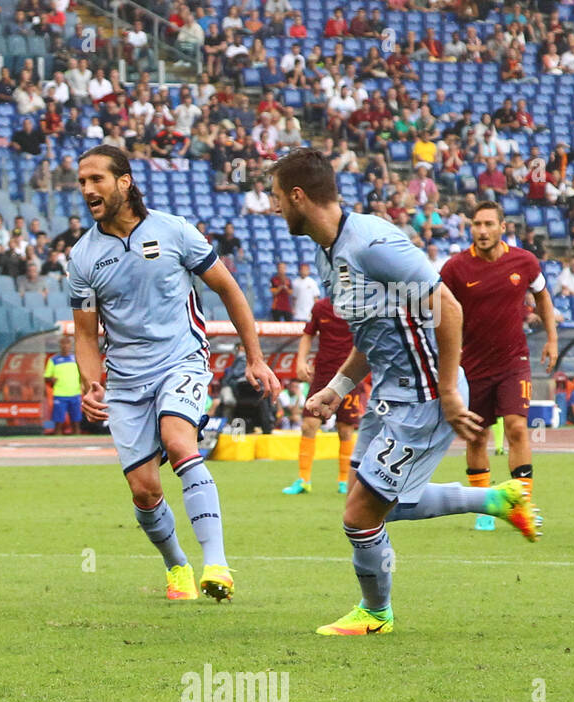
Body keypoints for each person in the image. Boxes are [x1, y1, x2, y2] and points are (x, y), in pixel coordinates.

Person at [269, 148, 538, 636]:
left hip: (424, 398)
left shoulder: (372, 243)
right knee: (378, 499)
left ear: (297, 195)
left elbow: (448, 307)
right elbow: (374, 333)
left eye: (275, 197)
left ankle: (376, 613)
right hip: (388, 395)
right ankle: (499, 500)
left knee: (359, 515)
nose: (272, 207)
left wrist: (451, 392)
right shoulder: (327, 252)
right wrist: (337, 387)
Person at [70, 145, 281, 604]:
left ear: (124, 182)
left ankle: (218, 564)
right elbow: (86, 337)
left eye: (96, 179)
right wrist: (91, 383)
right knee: (144, 492)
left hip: (181, 361)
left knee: (180, 441)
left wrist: (256, 357)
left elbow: (229, 290)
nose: (87, 189)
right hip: (125, 382)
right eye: (82, 181)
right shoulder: (83, 257)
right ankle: (177, 565)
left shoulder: (176, 231)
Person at [439, 201, 560, 531]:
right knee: (476, 437)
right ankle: (484, 507)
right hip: (472, 365)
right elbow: (436, 310)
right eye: (476, 224)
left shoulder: (524, 261)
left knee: (517, 427)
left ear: (502, 227)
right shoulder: (455, 268)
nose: (481, 230)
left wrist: (552, 339)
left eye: (488, 224)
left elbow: (543, 297)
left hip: (513, 361)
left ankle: (522, 504)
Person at [282, 297, 369, 496]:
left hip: (350, 375)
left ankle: (344, 481)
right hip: (322, 373)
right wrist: (300, 362)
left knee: (345, 429)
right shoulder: (321, 307)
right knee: (308, 424)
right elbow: (307, 334)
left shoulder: (360, 306)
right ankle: (303, 480)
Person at [44, 334, 81, 435]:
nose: (65, 346)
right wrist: (51, 379)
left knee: (76, 422)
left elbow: (82, 374)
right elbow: (46, 376)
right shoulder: (53, 360)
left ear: (70, 345)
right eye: (63, 344)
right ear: (60, 345)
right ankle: (57, 445)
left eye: (67, 343)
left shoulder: (76, 359)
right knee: (58, 422)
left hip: (75, 393)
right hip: (60, 394)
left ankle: (78, 442)